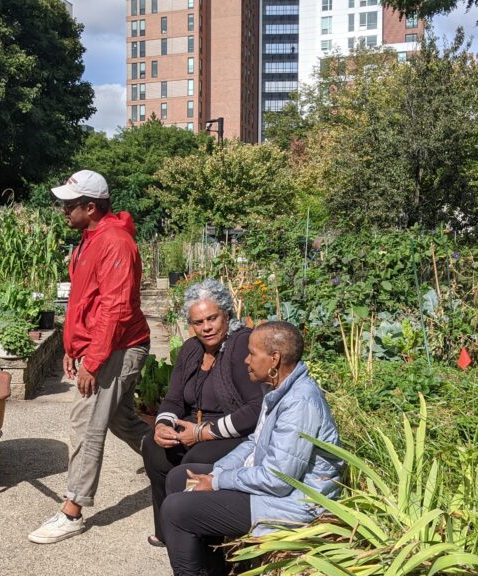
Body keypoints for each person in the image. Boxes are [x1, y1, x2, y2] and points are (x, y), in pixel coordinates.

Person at [160, 321, 342, 576]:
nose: (246, 360)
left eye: (252, 353)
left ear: (274, 359)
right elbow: (254, 443)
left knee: (175, 510)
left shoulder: (300, 403)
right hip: (270, 489)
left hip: (293, 504)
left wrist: (217, 481)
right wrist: (218, 472)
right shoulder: (278, 389)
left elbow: (279, 479)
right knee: (180, 477)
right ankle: (213, 569)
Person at [28, 169, 152, 544]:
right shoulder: (89, 238)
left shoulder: (114, 242)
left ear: (91, 206)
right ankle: (172, 461)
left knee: (86, 425)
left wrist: (93, 361)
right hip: (105, 344)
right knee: (121, 421)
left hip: (118, 347)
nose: (63, 211)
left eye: (69, 205)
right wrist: (72, 347)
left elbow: (115, 309)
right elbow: (84, 300)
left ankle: (73, 511)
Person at [142, 279, 268, 548]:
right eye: (199, 322)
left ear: (226, 314)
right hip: (194, 427)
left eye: (212, 318)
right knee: (153, 447)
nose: (207, 327)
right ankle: (167, 528)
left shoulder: (240, 345)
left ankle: (200, 532)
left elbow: (256, 409)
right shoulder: (191, 349)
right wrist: (163, 425)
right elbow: (174, 399)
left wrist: (201, 434)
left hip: (237, 433)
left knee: (195, 457)